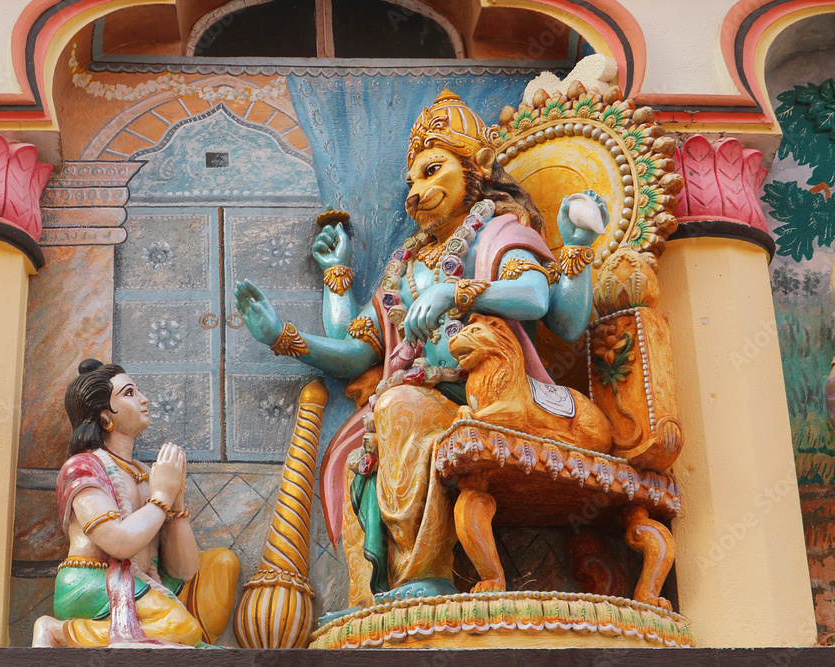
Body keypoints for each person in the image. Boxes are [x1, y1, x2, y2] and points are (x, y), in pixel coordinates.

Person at [233, 90, 603, 599]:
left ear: (480, 166)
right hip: (417, 396)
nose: (415, 192)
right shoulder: (405, 264)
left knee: (399, 407)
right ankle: (376, 590)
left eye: (432, 171)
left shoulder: (496, 232)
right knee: (372, 431)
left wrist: (457, 290)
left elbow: (536, 298)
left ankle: (422, 578)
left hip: (490, 395)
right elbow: (356, 351)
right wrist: (294, 324)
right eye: (412, 181)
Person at [32, 359, 239, 647]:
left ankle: (182, 639)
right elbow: (118, 543)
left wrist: (175, 500)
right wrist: (162, 497)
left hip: (146, 581)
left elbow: (185, 570)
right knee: (182, 629)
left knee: (222, 563)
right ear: (106, 417)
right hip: (93, 583)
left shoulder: (144, 473)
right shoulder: (83, 467)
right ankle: (60, 632)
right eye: (130, 393)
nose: (144, 399)